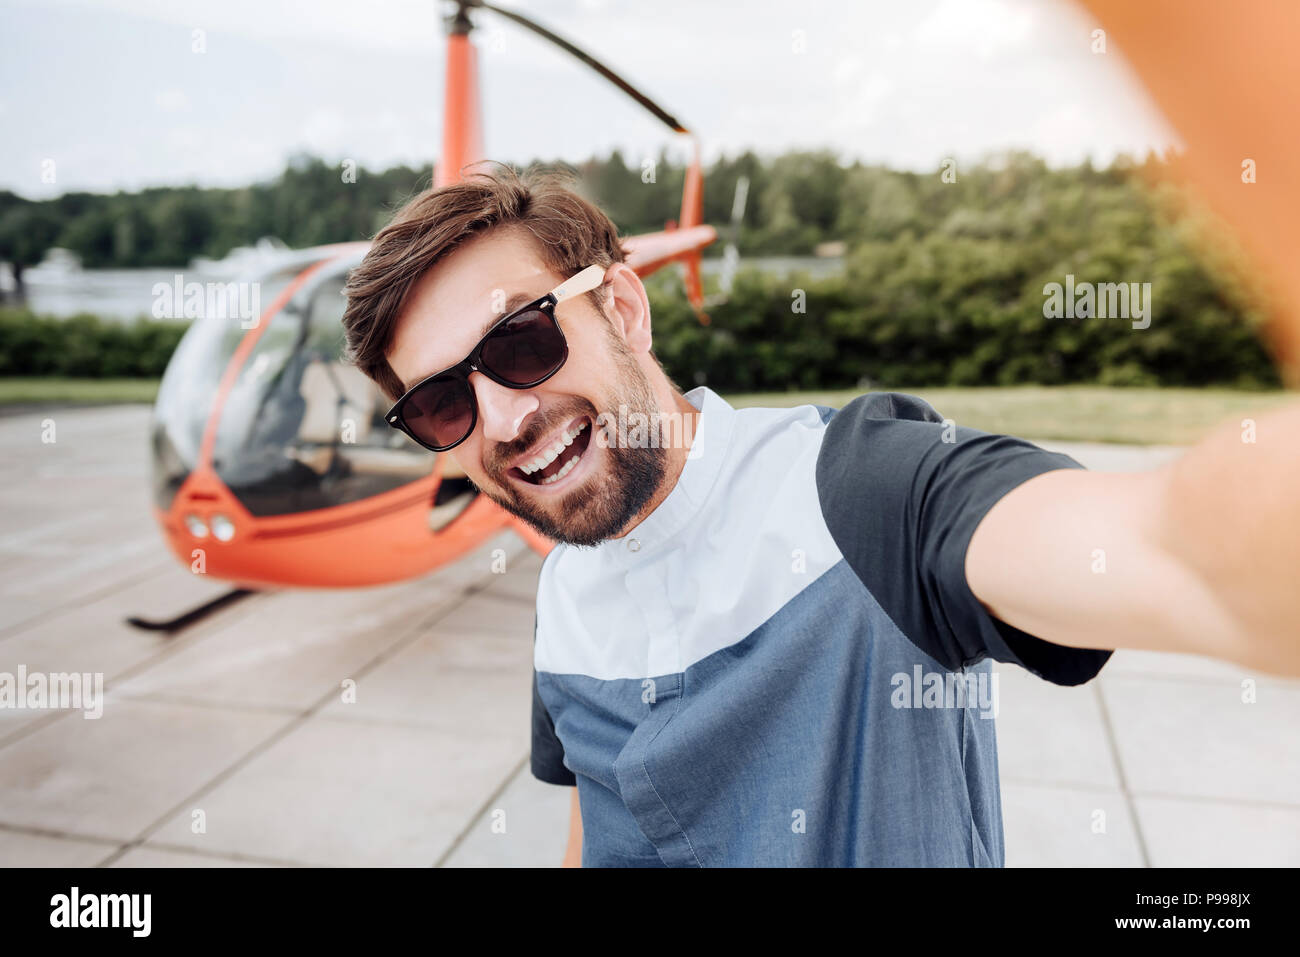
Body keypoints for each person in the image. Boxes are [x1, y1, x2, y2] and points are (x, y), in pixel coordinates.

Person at [341, 162, 1300, 867]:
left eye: (521, 339)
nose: (502, 418)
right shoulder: (564, 597)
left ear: (625, 312)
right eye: (440, 405)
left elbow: (1173, 553)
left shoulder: (859, 488)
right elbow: (599, 822)